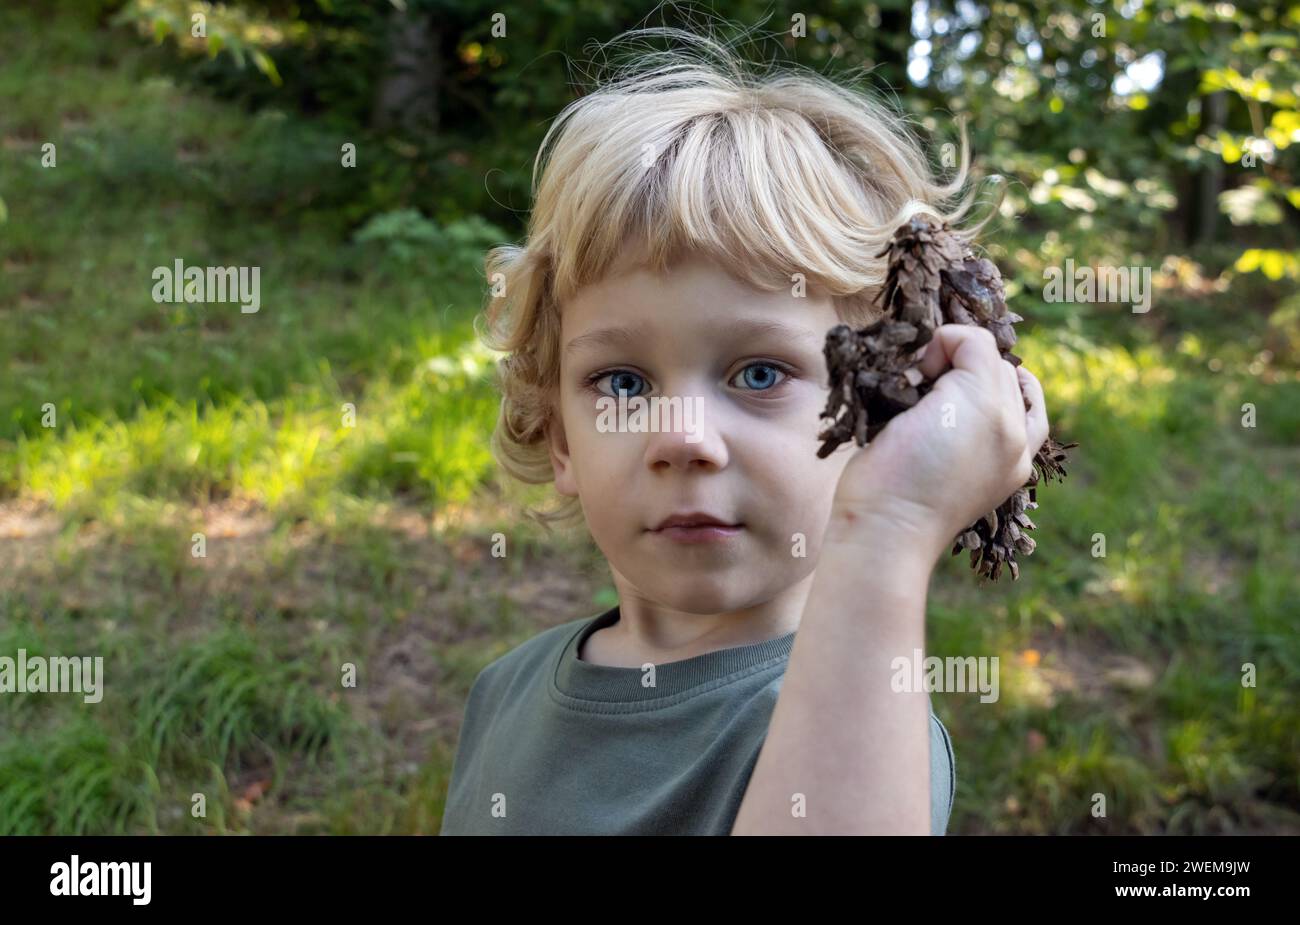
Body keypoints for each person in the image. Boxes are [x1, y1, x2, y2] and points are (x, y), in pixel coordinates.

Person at [439, 25, 1049, 835]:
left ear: (882, 412)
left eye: (759, 374)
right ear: (558, 439)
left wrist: (892, 530)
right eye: (622, 382)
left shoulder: (854, 720)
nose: (683, 438)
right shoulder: (506, 690)